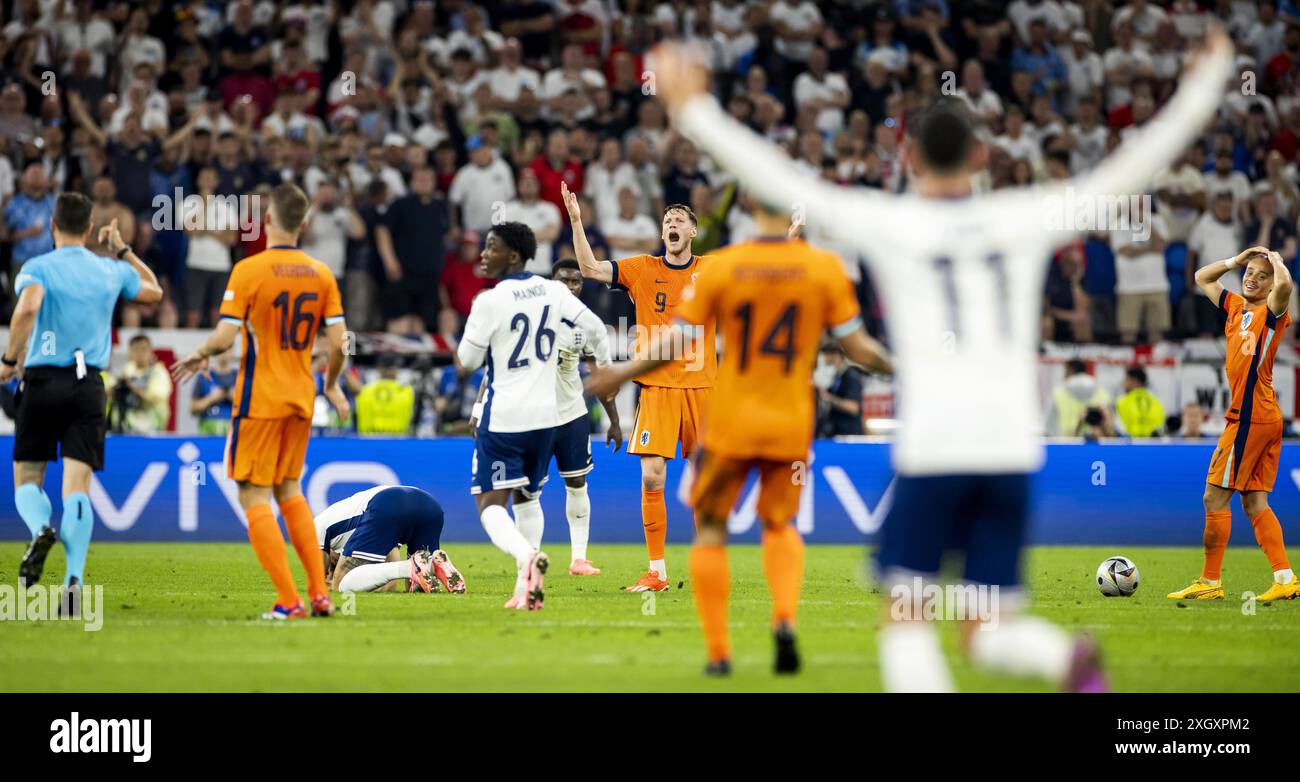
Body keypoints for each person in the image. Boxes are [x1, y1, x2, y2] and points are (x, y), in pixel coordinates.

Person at [650, 28, 1232, 691]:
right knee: (987, 631)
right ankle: (1061, 660)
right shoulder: (1027, 215)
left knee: (906, 620)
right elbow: (1129, 169)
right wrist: (1202, 85)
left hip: (932, 451)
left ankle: (1059, 663)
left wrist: (692, 108)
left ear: (906, 155)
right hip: (1011, 452)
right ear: (983, 155)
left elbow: (778, 179)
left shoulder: (890, 223)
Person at [586, 198, 891, 676]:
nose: (671, 224)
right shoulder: (819, 267)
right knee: (778, 524)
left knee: (710, 525)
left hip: (725, 404)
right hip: (788, 413)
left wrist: (620, 373)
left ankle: (718, 652)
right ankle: (784, 618)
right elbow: (857, 347)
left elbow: (675, 340)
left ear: (745, 212)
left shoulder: (724, 270)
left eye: (679, 218)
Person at [171, 183, 351, 621]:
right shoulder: (322, 273)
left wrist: (202, 352)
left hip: (259, 399)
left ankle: (290, 601)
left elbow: (227, 335)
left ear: (267, 221)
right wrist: (331, 385)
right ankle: (320, 594)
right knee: (290, 490)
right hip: (302, 397)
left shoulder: (248, 271)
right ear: (304, 224)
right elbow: (340, 342)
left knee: (253, 494)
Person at [0, 198, 162, 597]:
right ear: (90, 229)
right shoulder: (109, 270)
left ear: (53, 224)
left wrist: (8, 359)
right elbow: (154, 292)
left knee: (28, 478)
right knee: (77, 487)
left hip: (41, 381)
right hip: (89, 384)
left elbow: (28, 308)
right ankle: (74, 582)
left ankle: (41, 529)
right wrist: (122, 250)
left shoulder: (38, 267)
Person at [565, 179, 718, 594]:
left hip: (704, 388)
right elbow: (590, 269)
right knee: (652, 477)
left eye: (680, 219)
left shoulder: (712, 270)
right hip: (657, 388)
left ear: (692, 232)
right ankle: (657, 572)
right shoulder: (641, 269)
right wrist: (577, 222)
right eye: (668, 218)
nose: (672, 222)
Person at [456, 222, 611, 610]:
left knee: (490, 506)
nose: (483, 254)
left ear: (512, 255)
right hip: (546, 420)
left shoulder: (489, 301)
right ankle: (525, 588)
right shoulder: (555, 291)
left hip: (505, 418)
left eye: (491, 247)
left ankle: (527, 557)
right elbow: (595, 327)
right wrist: (607, 372)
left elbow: (467, 362)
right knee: (527, 497)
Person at [1169, 247, 1299, 601]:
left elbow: (1286, 283)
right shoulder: (1235, 307)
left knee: (1214, 497)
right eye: (1250, 273)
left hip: (1249, 418)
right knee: (1255, 503)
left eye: (1261, 275)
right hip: (1262, 415)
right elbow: (1201, 278)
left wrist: (1275, 258)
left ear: (1271, 284)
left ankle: (1210, 583)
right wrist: (1235, 261)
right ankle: (1285, 578)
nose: (1252, 278)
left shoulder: (1271, 313)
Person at [548, 259, 622, 574]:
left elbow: (600, 375)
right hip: (532, 416)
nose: (570, 286)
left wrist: (615, 421)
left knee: (578, 482)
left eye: (576, 281)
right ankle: (529, 558)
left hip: (572, 414)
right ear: (550, 282)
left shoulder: (587, 325)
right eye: (563, 280)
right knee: (528, 488)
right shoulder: (532, 315)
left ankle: (579, 558)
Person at [315, 484, 465, 594]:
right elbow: (391, 582)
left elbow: (318, 580)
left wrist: (329, 581)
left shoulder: (317, 527)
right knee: (417, 588)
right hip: (429, 505)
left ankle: (413, 566)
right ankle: (434, 565)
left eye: (331, 568)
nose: (332, 569)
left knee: (341, 584)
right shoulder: (361, 527)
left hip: (387, 504)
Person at [107, 334, 174, 434]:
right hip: (124, 430)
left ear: (151, 351)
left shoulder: (158, 372)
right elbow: (109, 391)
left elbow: (156, 396)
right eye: (135, 349)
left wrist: (133, 387)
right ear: (129, 352)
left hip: (151, 430)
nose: (140, 353)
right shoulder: (126, 370)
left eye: (143, 349)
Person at [355, 355, 415, 434]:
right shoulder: (407, 391)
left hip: (368, 441)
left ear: (379, 369)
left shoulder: (364, 391)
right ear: (395, 370)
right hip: (398, 441)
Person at [817, 341, 866, 436]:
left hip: (849, 435)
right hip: (836, 432)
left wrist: (829, 398)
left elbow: (853, 407)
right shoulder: (836, 376)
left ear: (836, 355)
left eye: (827, 355)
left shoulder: (851, 376)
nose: (825, 359)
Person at [192, 352, 237, 435]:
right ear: (215, 352)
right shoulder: (204, 377)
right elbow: (193, 409)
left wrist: (235, 397)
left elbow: (253, 406)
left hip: (234, 431)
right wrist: (212, 398)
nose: (223, 353)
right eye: (220, 350)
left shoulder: (240, 377)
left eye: (227, 349)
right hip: (208, 434)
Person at [1115, 366, 1165, 437]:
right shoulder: (1157, 402)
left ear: (1134, 381)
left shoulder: (1122, 402)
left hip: (1130, 444)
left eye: (1126, 380)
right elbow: (1160, 426)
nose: (1124, 383)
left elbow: (1119, 427)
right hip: (1152, 444)